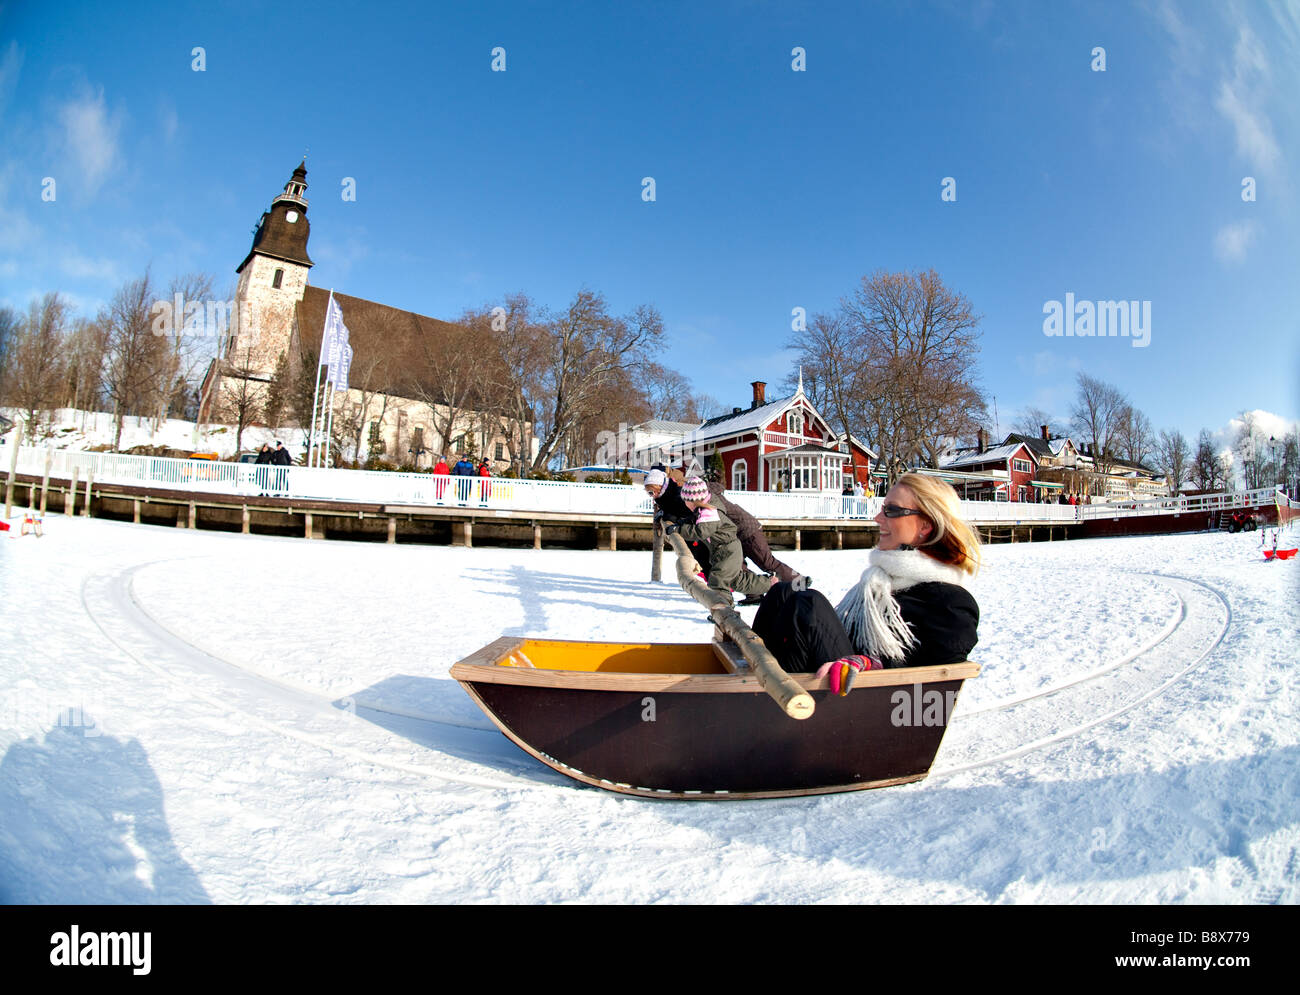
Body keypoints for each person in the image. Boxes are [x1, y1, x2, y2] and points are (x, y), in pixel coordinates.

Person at [754, 473, 980, 675]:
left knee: (808, 605)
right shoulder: (882, 582)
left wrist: (872, 663)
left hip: (869, 701)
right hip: (839, 679)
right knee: (784, 592)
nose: (878, 518)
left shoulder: (951, 604)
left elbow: (934, 680)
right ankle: (748, 676)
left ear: (925, 526)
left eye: (891, 511)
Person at [667, 476, 774, 609]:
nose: (685, 504)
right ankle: (769, 584)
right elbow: (693, 522)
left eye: (686, 501)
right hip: (723, 550)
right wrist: (679, 523)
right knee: (737, 581)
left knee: (717, 580)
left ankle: (724, 609)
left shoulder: (710, 512)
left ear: (694, 501)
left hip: (728, 550)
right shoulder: (701, 511)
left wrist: (678, 529)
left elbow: (700, 532)